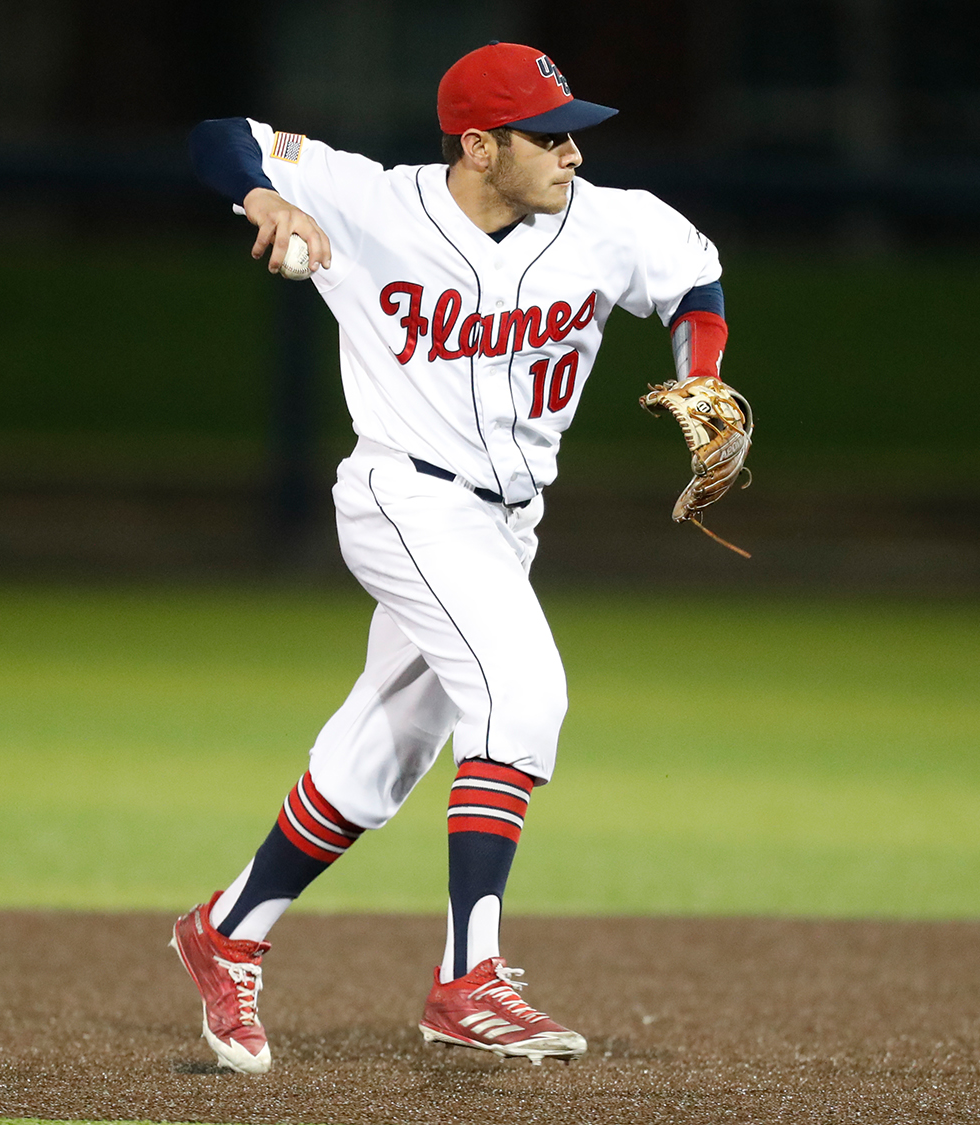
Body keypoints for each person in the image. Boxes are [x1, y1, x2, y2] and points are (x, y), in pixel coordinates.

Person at [169, 41, 734, 1074]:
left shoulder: (608, 223)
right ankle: (466, 979)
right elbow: (217, 139)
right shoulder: (370, 203)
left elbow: (693, 276)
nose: (571, 152)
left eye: (572, 131)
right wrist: (262, 199)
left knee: (377, 755)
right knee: (519, 695)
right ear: (479, 146)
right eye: (547, 135)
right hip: (403, 496)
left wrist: (700, 379)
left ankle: (227, 929)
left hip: (506, 526)